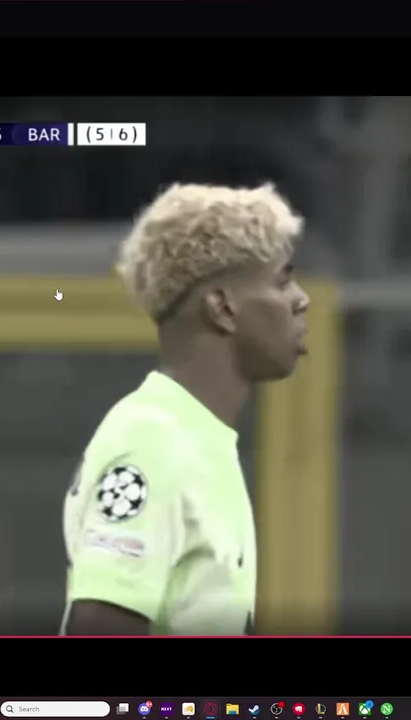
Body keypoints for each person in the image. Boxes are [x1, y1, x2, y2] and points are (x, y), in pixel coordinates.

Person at [61, 183, 310, 636]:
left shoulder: (199, 441)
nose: (301, 299)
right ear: (223, 307)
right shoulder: (153, 442)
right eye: (281, 281)